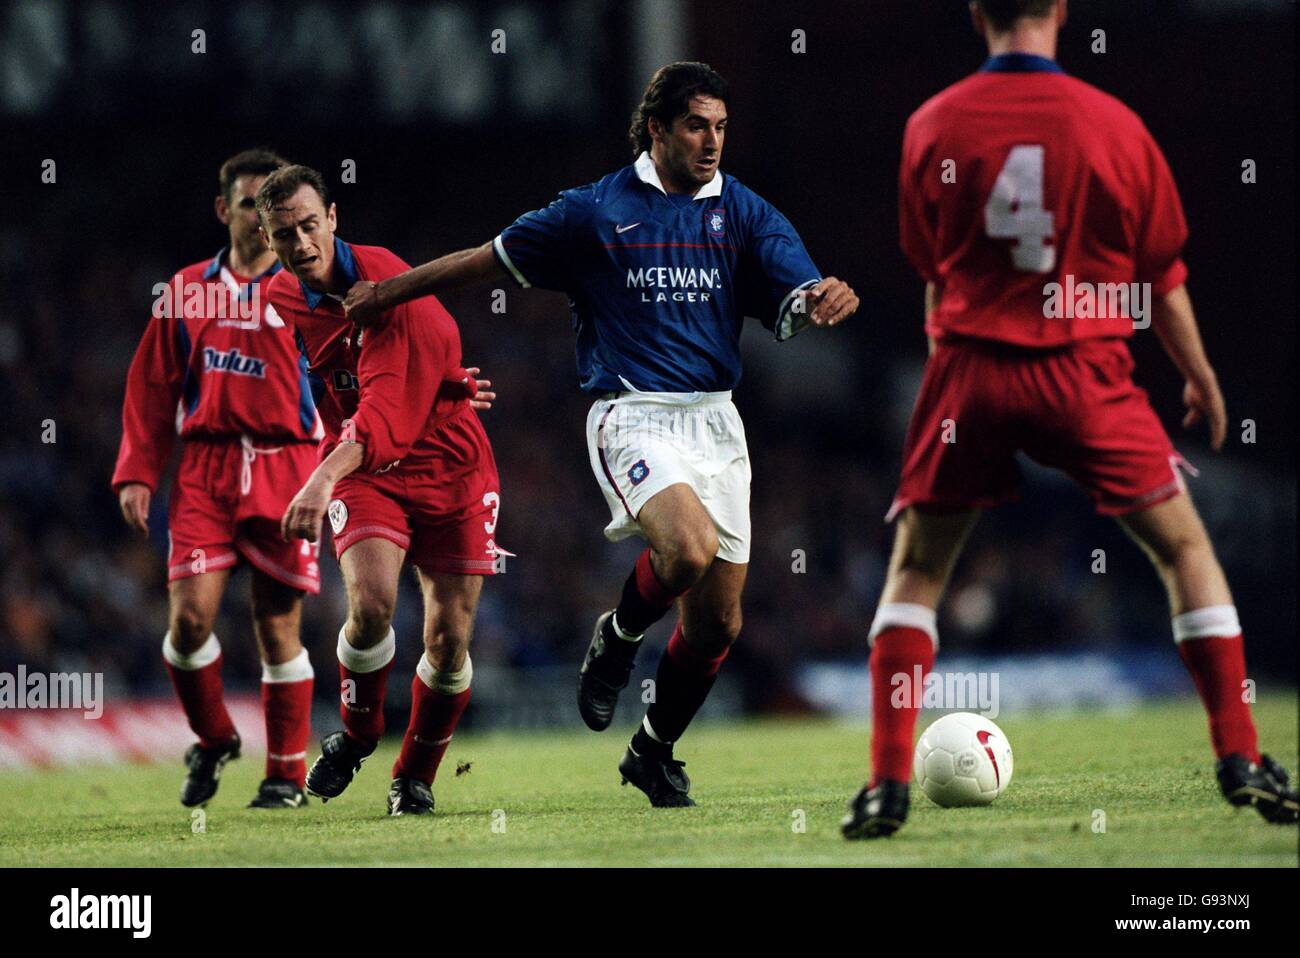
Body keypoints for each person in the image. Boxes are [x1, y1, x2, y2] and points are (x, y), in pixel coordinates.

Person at [342, 62, 859, 807]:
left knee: (716, 626)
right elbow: (488, 257)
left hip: (716, 420)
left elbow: (797, 286)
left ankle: (652, 751)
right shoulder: (594, 211)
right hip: (633, 412)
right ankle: (617, 636)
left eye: (720, 127)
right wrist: (388, 291)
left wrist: (819, 298)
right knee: (686, 549)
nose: (712, 141)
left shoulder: (742, 211)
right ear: (657, 129)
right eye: (695, 125)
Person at [841, 0, 1297, 839]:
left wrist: (952, 362)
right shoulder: (1116, 124)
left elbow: (930, 268)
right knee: (1185, 548)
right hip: (1086, 370)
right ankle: (1240, 756)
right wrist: (1199, 377)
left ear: (976, 13)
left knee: (917, 575)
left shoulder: (932, 123)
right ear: (1060, 11)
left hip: (971, 366)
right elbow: (1161, 278)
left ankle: (885, 784)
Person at [258, 164, 502, 816]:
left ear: (333, 217)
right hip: (367, 471)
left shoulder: (385, 291)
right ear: (269, 238)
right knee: (370, 604)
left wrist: (316, 478)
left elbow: (384, 420)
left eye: (312, 225)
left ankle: (413, 777)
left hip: (447, 465)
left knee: (449, 639)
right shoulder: (281, 298)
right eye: (286, 234)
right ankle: (361, 732)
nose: (302, 244)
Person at [113, 149, 322, 809]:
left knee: (276, 626)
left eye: (272, 209)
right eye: (248, 205)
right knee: (189, 623)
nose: (262, 221)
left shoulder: (311, 290)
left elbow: (361, 366)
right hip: (205, 469)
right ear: (223, 209)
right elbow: (152, 386)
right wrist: (138, 472)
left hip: (287, 466)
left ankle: (285, 777)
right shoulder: (187, 290)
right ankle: (214, 736)